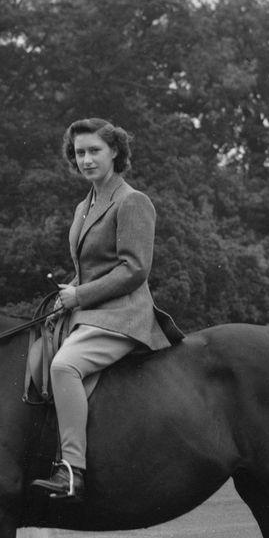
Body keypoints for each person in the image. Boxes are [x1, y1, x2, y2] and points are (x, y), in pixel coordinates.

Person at [30, 117, 182, 502]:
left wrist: (79, 297)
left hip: (123, 315)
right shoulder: (85, 205)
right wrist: (68, 293)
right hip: (88, 310)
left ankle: (72, 472)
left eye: (94, 150)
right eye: (79, 153)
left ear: (114, 151)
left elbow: (134, 269)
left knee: (64, 366)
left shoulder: (132, 201)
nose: (86, 159)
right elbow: (89, 269)